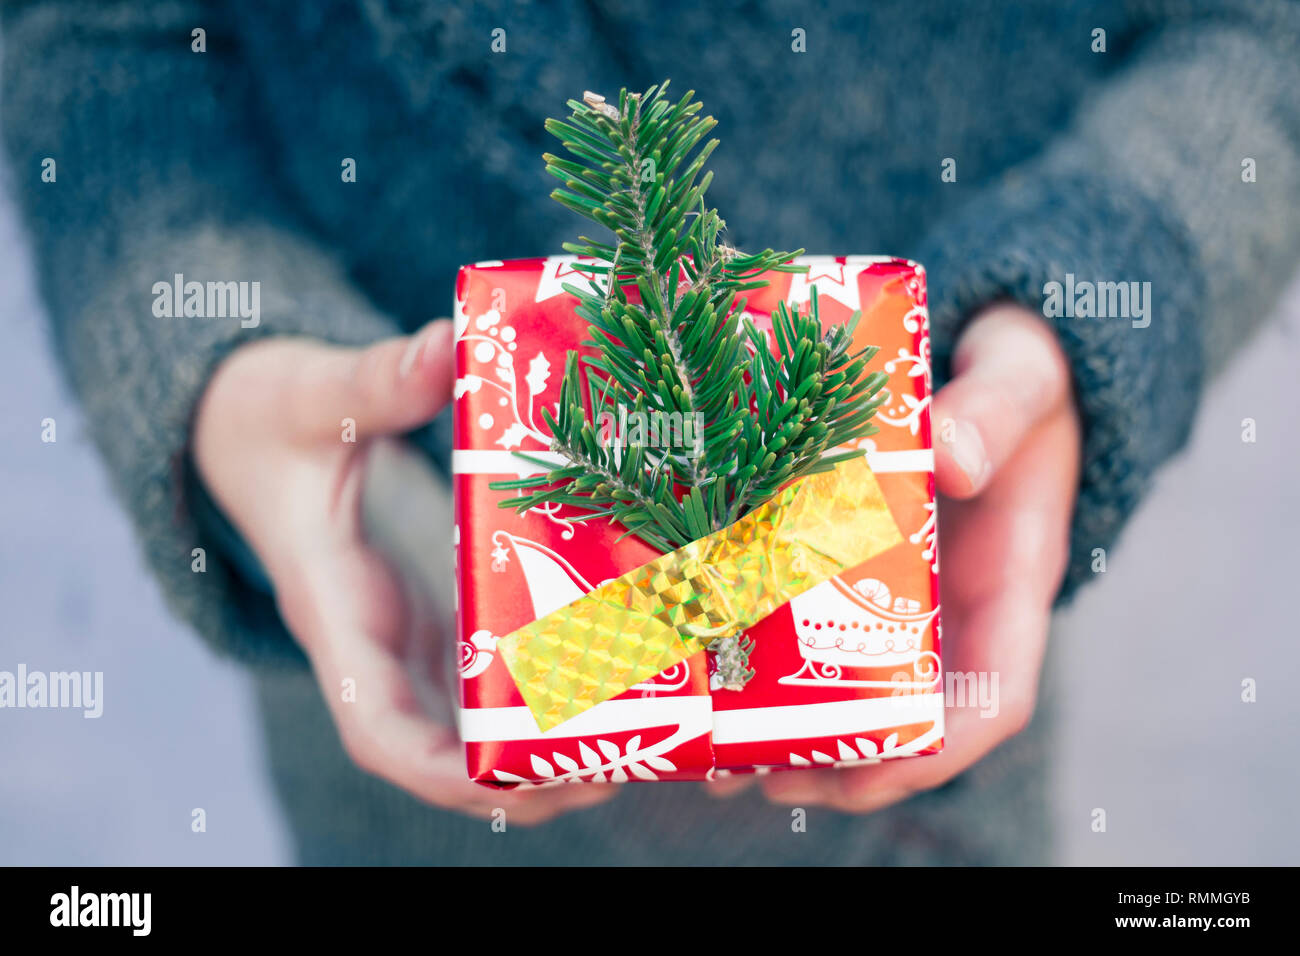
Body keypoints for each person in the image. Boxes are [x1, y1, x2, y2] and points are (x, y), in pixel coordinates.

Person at [3, 1, 1297, 864]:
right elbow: (88, 29)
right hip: (389, 569)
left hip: (912, 580)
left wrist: (1106, 270)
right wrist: (197, 337)